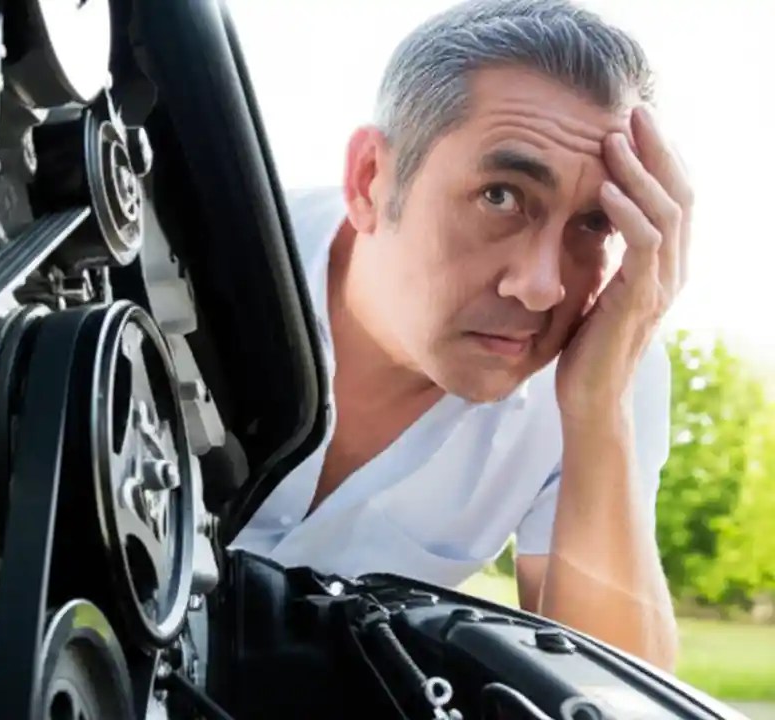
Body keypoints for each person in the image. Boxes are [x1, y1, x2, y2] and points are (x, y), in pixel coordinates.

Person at [230, 0, 690, 671]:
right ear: (369, 180)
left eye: (594, 223)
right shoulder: (202, 260)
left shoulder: (611, 364)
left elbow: (610, 692)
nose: (540, 287)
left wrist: (598, 413)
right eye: (500, 195)